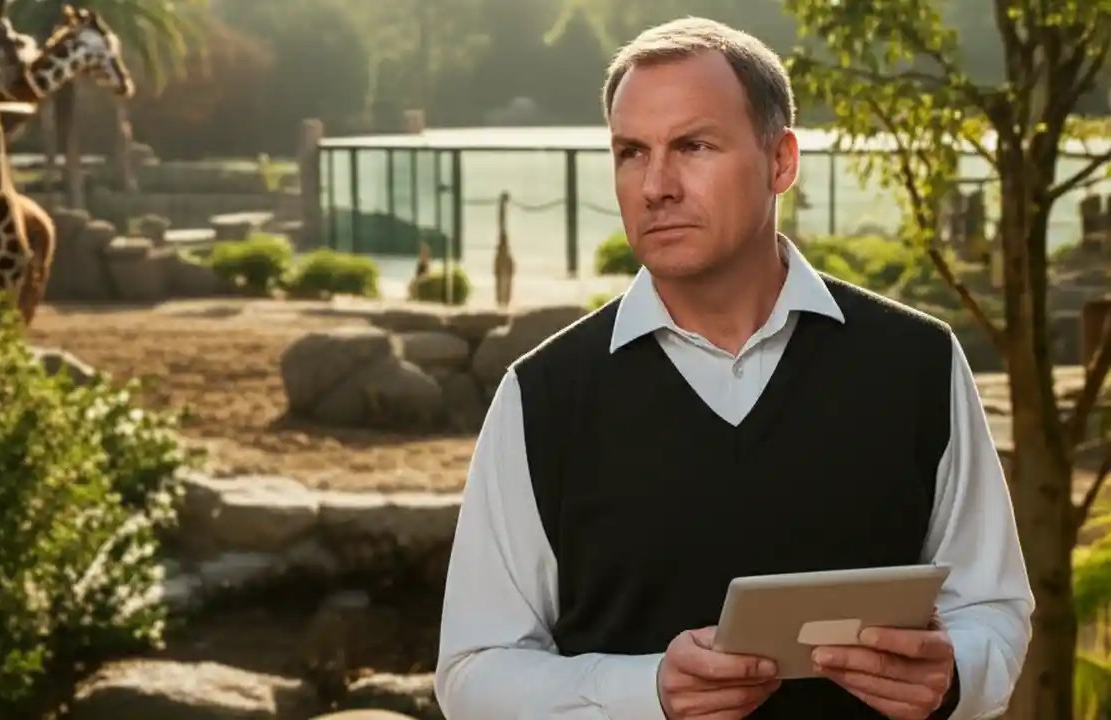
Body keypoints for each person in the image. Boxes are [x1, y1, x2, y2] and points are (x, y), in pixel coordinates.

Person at [433, 15, 1033, 720]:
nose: (655, 184)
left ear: (780, 161)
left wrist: (953, 674)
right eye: (631, 152)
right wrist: (649, 692)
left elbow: (993, 610)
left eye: (693, 145)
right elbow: (473, 674)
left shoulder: (917, 363)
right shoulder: (541, 396)